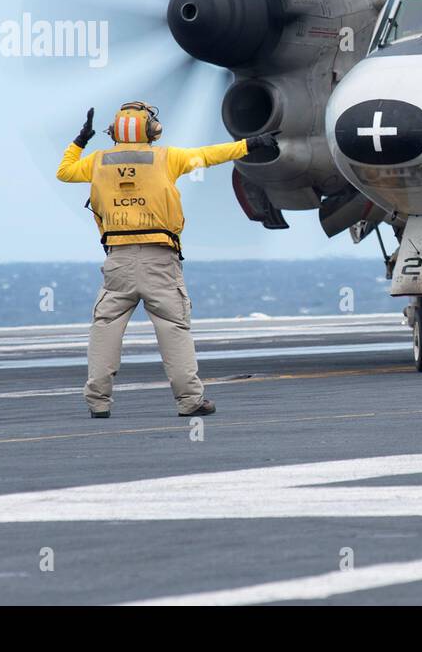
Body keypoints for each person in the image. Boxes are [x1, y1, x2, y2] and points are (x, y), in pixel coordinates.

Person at [56, 102, 276, 418]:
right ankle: (189, 401)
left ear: (115, 131)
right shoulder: (166, 158)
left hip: (117, 260)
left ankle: (98, 403)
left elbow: (64, 172)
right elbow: (210, 155)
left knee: (105, 327)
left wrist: (81, 139)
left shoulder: (97, 162)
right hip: (160, 259)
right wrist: (250, 144)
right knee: (173, 328)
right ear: (151, 130)